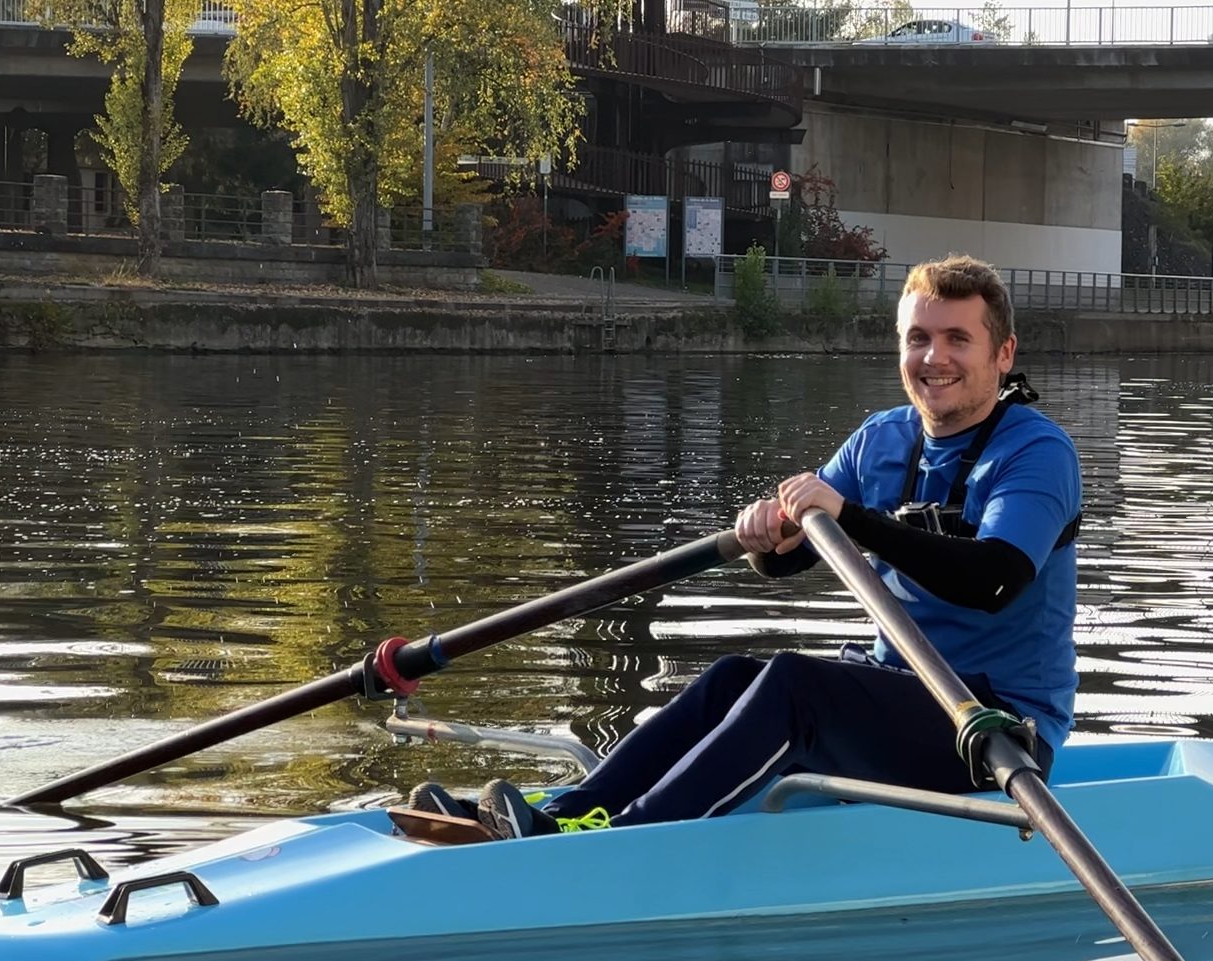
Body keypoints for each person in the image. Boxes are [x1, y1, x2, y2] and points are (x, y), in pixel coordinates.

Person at [407, 254, 1083, 840]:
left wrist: (850, 517)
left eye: (956, 340)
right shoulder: (882, 439)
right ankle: (566, 815)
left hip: (997, 733)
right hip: (903, 697)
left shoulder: (1036, 453)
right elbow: (791, 559)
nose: (933, 358)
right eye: (918, 338)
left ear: (1002, 354)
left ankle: (626, 840)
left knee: (794, 686)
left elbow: (994, 581)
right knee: (736, 675)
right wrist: (770, 534)